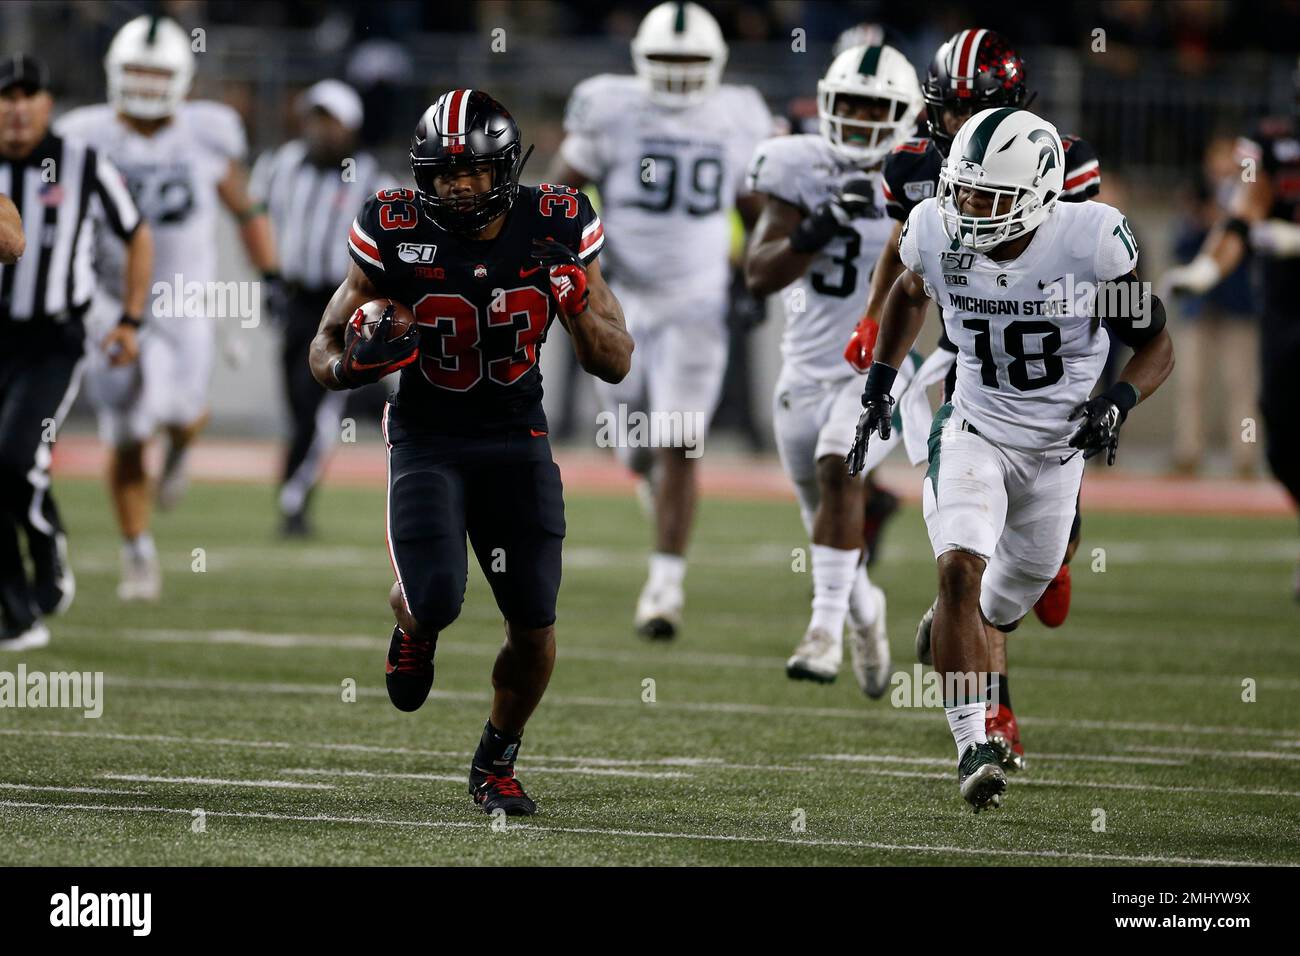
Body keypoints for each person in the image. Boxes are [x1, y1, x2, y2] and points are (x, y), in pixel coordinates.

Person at [309, 90, 632, 816]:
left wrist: (574, 298)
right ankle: (412, 629)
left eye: (475, 172)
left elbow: (615, 362)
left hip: (517, 438)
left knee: (534, 617)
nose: (459, 186)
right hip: (428, 436)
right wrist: (350, 367)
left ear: (505, 170)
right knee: (434, 596)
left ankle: (496, 759)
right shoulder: (392, 228)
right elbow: (323, 346)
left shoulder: (557, 222)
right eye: (445, 172)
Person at [848, 107, 1173, 810]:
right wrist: (881, 377)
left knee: (1003, 603)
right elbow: (909, 293)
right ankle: (974, 743)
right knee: (960, 567)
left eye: (989, 197)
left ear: (1039, 194)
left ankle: (951, 623)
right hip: (974, 425)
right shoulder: (935, 229)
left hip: (1058, 450)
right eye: (963, 191)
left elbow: (1155, 343)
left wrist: (1116, 399)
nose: (969, 208)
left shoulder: (1089, 244)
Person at [845, 29, 1104, 772]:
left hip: (1051, 370)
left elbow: (1084, 267)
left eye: (976, 108)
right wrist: (872, 322)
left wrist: (1101, 386)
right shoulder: (915, 168)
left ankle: (1051, 560)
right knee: (967, 554)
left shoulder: (1058, 160)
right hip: (972, 362)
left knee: (1049, 540)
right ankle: (992, 718)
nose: (959, 127)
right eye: (950, 109)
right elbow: (903, 258)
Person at [548, 0, 771, 639]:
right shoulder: (611, 105)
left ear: (716, 64)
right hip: (618, 296)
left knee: (679, 440)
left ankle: (664, 587)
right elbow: (562, 195)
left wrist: (754, 277)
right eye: (667, 61)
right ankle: (647, 482)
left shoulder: (737, 113)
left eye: (690, 62)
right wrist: (561, 265)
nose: (677, 74)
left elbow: (756, 207)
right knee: (634, 446)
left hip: (698, 300)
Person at [57, 14, 279, 600]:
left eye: (158, 73)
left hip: (183, 299)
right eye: (136, 71)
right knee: (127, 429)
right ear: (113, 72)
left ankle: (180, 450)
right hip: (109, 299)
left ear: (182, 77)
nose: (147, 84)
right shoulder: (83, 133)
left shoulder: (207, 132)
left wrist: (271, 275)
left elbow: (245, 207)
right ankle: (138, 552)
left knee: (180, 413)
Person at [745, 42, 931, 691]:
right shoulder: (799, 165)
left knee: (837, 463)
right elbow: (758, 273)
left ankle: (822, 633)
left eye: (874, 108)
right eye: (847, 105)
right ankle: (863, 610)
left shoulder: (928, 173)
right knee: (824, 513)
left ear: (906, 114)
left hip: (883, 364)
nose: (857, 119)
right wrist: (815, 227)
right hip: (803, 372)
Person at [0, 53, 151, 649]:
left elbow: (136, 232)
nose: (15, 107)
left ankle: (46, 550)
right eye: (6, 95)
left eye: (27, 95)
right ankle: (16, 611)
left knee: (12, 458)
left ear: (46, 104)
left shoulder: (82, 162)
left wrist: (132, 319)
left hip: (52, 338)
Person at [1163, 70, 1300, 599]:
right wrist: (1206, 268)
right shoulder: (1269, 143)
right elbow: (1243, 215)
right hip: (1286, 305)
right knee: (1281, 428)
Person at [250, 79, 395, 536]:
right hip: (294, 299)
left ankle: (293, 501)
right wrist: (269, 279)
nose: (320, 129)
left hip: (344, 301)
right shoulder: (281, 165)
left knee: (320, 405)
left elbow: (398, 244)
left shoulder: (373, 179)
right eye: (315, 118)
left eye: (330, 121)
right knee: (299, 403)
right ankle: (384, 404)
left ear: (350, 127)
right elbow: (256, 219)